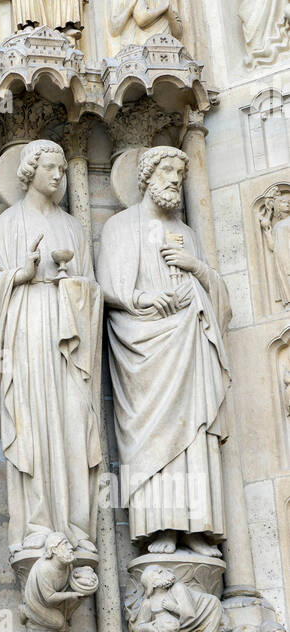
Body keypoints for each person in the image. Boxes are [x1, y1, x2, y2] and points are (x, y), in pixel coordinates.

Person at [97, 146, 231, 554]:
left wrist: (194, 266)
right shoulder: (121, 227)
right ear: (147, 177)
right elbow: (108, 286)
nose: (174, 180)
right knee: (154, 435)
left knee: (193, 433)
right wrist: (140, 300)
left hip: (189, 342)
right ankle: (162, 526)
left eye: (179, 173)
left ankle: (196, 526)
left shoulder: (187, 234)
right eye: (167, 171)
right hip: (146, 348)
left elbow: (221, 300)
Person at [0, 140, 102, 552]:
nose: (58, 176)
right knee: (33, 423)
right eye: (50, 168)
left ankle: (75, 528)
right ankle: (36, 525)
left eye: (63, 169)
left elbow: (94, 290)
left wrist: (75, 286)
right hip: (28, 328)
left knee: (72, 422)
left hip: (70, 335)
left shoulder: (72, 227)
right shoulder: (10, 223)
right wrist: (20, 273)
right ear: (31, 171)